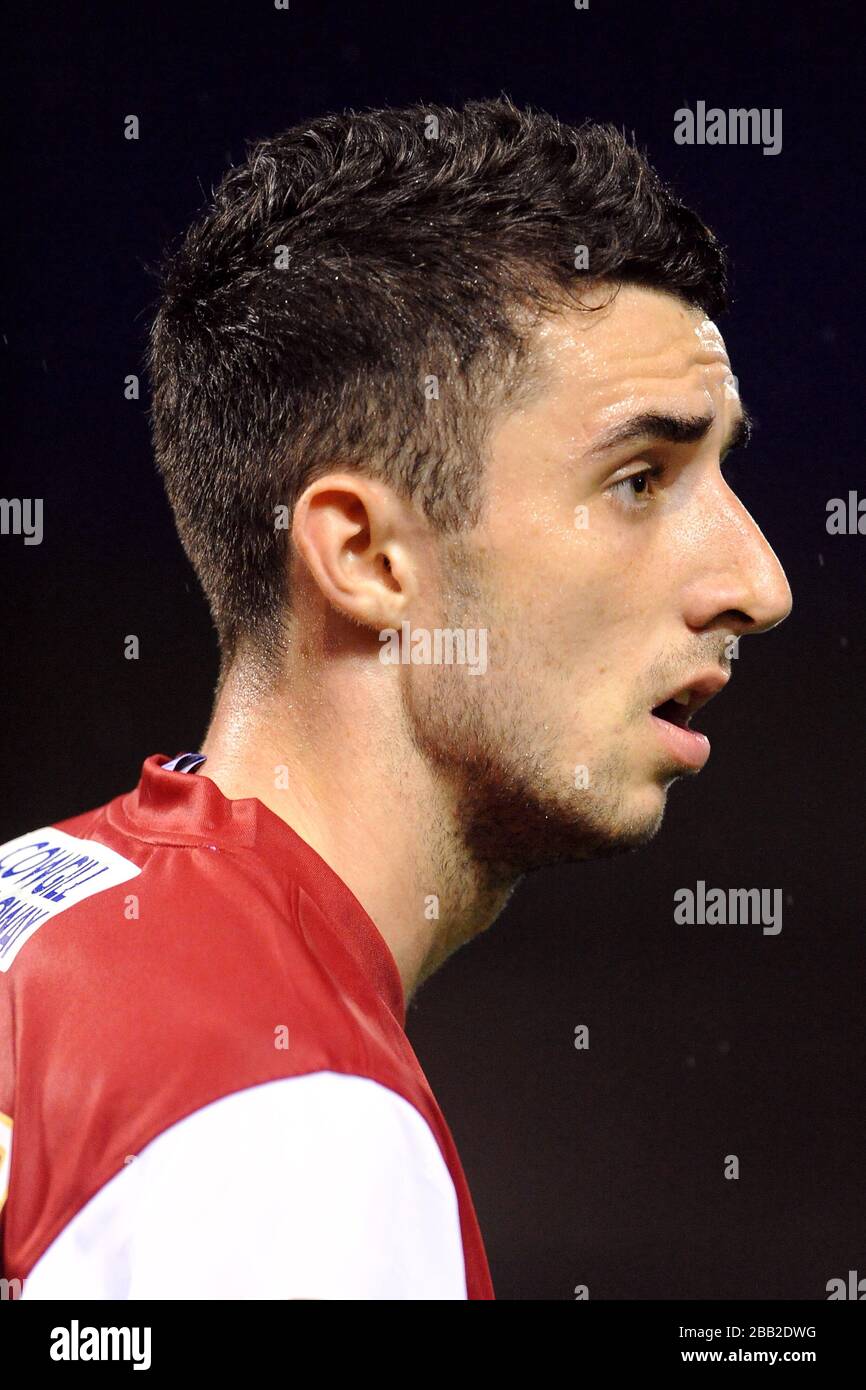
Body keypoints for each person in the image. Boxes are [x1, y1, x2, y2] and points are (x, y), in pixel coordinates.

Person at [0, 97, 791, 1300]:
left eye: (720, 471)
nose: (758, 584)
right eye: (639, 478)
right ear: (367, 558)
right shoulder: (293, 1132)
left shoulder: (42, 903)